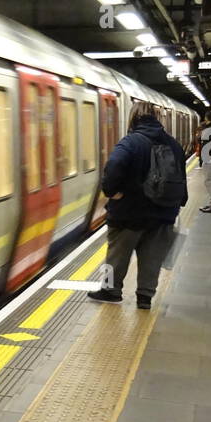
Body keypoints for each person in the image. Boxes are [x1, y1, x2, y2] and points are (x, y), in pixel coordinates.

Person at [88, 100, 187, 310]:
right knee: (152, 257)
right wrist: (178, 202)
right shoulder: (174, 144)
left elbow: (114, 166)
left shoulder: (130, 142)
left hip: (128, 213)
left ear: (133, 118)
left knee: (116, 254)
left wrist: (111, 192)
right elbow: (181, 175)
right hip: (164, 212)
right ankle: (145, 297)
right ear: (158, 119)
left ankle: (110, 290)